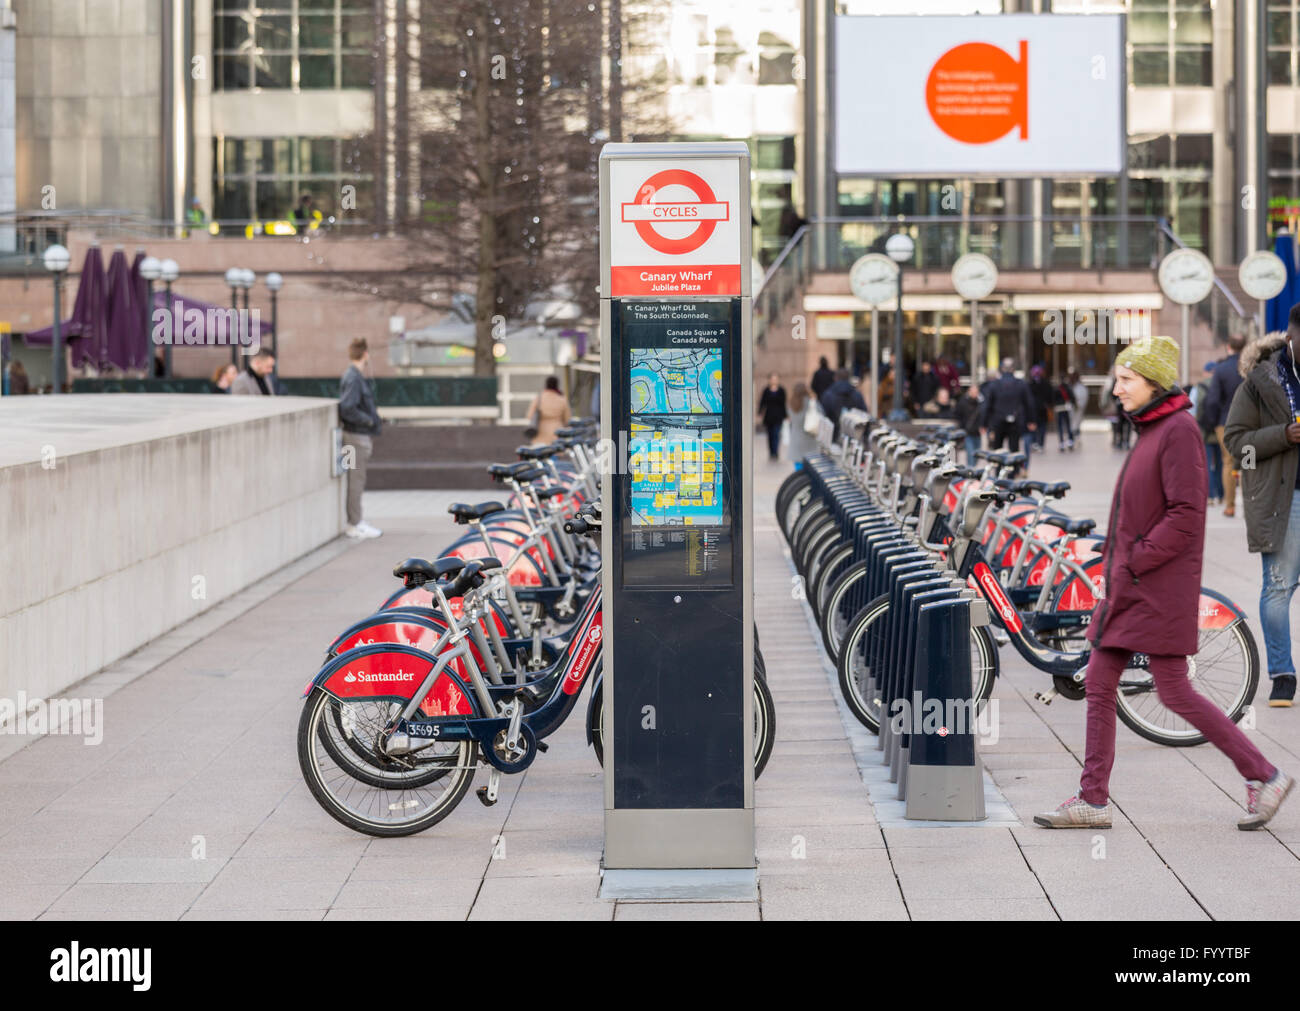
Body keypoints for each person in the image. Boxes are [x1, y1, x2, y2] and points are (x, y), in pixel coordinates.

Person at [1036, 335, 1292, 830]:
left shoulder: (1177, 431)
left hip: (1154, 589)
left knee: (1174, 691)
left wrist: (1133, 561)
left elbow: (1187, 514)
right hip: (1133, 588)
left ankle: (1265, 773)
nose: (1116, 389)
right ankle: (1092, 799)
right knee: (1101, 682)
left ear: (1153, 382)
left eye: (1127, 380)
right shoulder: (1153, 428)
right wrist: (1119, 564)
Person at [1223, 310, 1300, 707]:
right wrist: (1283, 436)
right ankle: (1282, 675)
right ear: (1291, 336)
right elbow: (1238, 446)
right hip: (1285, 501)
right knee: (1279, 588)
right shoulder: (1261, 382)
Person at [338, 338, 384, 540]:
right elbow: (347, 407)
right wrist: (367, 421)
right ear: (365, 354)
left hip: (356, 435)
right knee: (356, 480)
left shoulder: (352, 376)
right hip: (356, 436)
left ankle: (355, 521)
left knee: (355, 479)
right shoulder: (354, 377)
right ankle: (354, 523)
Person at [1205, 334, 1246, 516]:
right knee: (1248, 462)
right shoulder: (1250, 367)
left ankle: (1230, 506)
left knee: (1228, 462)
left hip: (1225, 423)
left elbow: (1213, 400)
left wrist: (1212, 422)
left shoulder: (1220, 370)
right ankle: (1249, 506)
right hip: (1249, 424)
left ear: (1228, 347)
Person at [981, 358, 1035, 453]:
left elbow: (987, 405)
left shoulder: (994, 385)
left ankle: (999, 467)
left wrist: (984, 424)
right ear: (1013, 369)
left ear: (1002, 369)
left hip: (998, 422)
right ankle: (1014, 467)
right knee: (1014, 450)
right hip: (1015, 421)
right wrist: (1031, 420)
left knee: (997, 451)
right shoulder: (1021, 384)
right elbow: (1029, 403)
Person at [1191, 361, 1224, 505]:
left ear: (1205, 372)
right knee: (1222, 464)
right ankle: (1222, 495)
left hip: (1204, 431)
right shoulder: (1222, 386)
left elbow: (1192, 410)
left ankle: (1210, 496)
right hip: (1221, 430)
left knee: (1206, 465)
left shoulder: (1199, 387)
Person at [527, 376, 570, 445]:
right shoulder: (562, 399)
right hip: (557, 431)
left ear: (546, 384)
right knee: (555, 452)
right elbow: (567, 419)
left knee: (541, 452)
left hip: (541, 432)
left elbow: (529, 415)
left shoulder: (539, 398)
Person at [787, 381, 820, 468]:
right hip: (810, 438)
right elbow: (821, 415)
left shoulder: (790, 404)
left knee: (798, 468)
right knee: (811, 468)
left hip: (796, 438)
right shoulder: (811, 402)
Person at [757, 373, 788, 462]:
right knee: (770, 435)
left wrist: (786, 416)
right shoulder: (766, 390)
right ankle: (771, 452)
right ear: (770, 380)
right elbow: (762, 403)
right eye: (772, 379)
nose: (774, 380)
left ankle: (775, 452)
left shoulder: (781, 390)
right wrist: (759, 413)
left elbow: (783, 404)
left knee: (776, 434)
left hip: (778, 416)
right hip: (769, 416)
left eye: (776, 379)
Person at [954, 382, 983, 465]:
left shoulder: (980, 403)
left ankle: (972, 471)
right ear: (969, 392)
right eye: (973, 392)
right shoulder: (962, 402)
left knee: (977, 455)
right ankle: (970, 473)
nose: (974, 394)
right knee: (970, 455)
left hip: (977, 433)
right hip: (967, 433)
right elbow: (957, 416)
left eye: (976, 392)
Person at [1027, 365, 1053, 451]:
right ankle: (1040, 443)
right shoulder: (1046, 384)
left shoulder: (1030, 384)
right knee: (1042, 427)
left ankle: (1035, 442)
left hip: (1035, 409)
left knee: (1035, 426)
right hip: (1042, 409)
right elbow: (1050, 397)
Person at [1051, 374, 1076, 450]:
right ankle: (1070, 441)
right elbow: (1072, 397)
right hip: (1066, 408)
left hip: (1059, 408)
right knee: (1068, 425)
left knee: (1060, 426)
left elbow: (1053, 399)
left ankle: (1062, 442)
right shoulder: (1068, 387)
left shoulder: (1056, 388)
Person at [1069, 370, 1088, 439]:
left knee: (1076, 422)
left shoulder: (1080, 387)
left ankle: (1075, 435)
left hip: (1078, 407)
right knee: (1073, 422)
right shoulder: (1071, 386)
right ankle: (1072, 436)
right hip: (1072, 407)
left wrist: (1079, 404)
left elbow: (1083, 397)